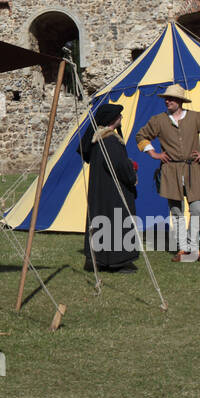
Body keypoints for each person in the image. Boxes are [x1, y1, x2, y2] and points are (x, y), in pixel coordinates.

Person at [135, 85, 200, 262]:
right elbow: (141, 136)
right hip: (170, 170)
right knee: (176, 210)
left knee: (196, 208)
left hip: (193, 169)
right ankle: (183, 249)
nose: (167, 101)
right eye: (166, 98)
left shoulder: (196, 117)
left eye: (171, 99)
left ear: (180, 101)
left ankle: (194, 247)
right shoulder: (158, 120)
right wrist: (154, 153)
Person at [81, 102, 139, 272]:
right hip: (113, 192)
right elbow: (120, 166)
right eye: (119, 115)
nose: (121, 117)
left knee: (101, 222)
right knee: (115, 221)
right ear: (113, 119)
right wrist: (132, 173)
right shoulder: (110, 141)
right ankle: (116, 261)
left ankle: (99, 259)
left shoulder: (99, 140)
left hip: (102, 190)